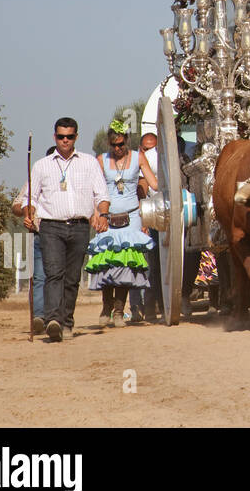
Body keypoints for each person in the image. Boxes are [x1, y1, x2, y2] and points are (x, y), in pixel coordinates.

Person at [21, 117, 109, 342]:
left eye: (69, 137)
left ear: (76, 137)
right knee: (54, 274)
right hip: (51, 227)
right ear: (54, 137)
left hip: (79, 227)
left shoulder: (89, 163)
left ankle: (67, 321)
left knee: (71, 279)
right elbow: (30, 197)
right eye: (61, 137)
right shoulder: (42, 165)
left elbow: (102, 194)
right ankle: (53, 320)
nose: (65, 141)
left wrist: (103, 214)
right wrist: (29, 213)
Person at [85, 121, 155, 328]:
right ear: (108, 143)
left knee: (125, 264)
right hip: (107, 217)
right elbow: (94, 190)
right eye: (113, 145)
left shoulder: (138, 158)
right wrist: (96, 215)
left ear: (127, 141)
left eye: (121, 144)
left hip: (132, 218)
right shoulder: (101, 160)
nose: (117, 148)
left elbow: (155, 183)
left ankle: (118, 311)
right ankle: (106, 308)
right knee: (107, 263)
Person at [11, 146, 56, 335]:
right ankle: (39, 317)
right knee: (39, 277)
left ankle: (56, 318)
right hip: (39, 234)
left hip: (63, 234)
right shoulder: (34, 180)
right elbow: (16, 204)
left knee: (58, 278)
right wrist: (27, 212)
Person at [136, 132, 165, 322]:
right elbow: (143, 186)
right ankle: (150, 306)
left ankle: (163, 305)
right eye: (145, 149)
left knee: (162, 264)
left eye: (153, 147)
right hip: (150, 216)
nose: (149, 151)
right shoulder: (140, 163)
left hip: (166, 213)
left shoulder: (161, 159)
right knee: (151, 264)